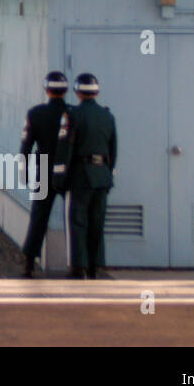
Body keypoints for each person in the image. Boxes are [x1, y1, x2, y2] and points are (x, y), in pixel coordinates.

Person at [52, 73, 118, 279]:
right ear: (96, 92)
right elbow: (112, 149)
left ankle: (77, 266)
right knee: (97, 221)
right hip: (101, 175)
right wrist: (108, 175)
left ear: (78, 92)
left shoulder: (71, 115)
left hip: (80, 176)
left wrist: (59, 178)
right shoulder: (107, 116)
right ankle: (95, 266)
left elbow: (65, 149)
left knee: (77, 221)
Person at [18, 70, 69, 277]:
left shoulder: (35, 113)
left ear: (46, 90)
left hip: (44, 170)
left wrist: (24, 171)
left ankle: (29, 263)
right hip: (69, 173)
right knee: (74, 218)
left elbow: (26, 146)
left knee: (38, 217)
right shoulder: (73, 113)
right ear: (65, 91)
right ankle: (78, 265)